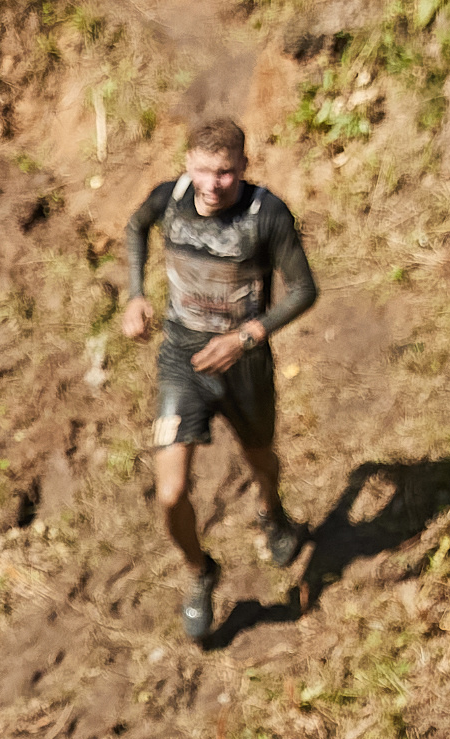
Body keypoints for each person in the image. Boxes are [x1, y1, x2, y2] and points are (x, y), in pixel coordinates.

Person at [119, 116, 320, 642]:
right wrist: (135, 293)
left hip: (244, 364)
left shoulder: (266, 214)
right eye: (206, 171)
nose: (213, 185)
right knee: (170, 492)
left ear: (243, 168)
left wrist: (245, 338)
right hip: (181, 361)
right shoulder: (168, 199)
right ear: (187, 163)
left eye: (226, 173)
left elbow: (303, 290)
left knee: (261, 458)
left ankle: (273, 514)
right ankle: (200, 572)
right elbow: (135, 228)